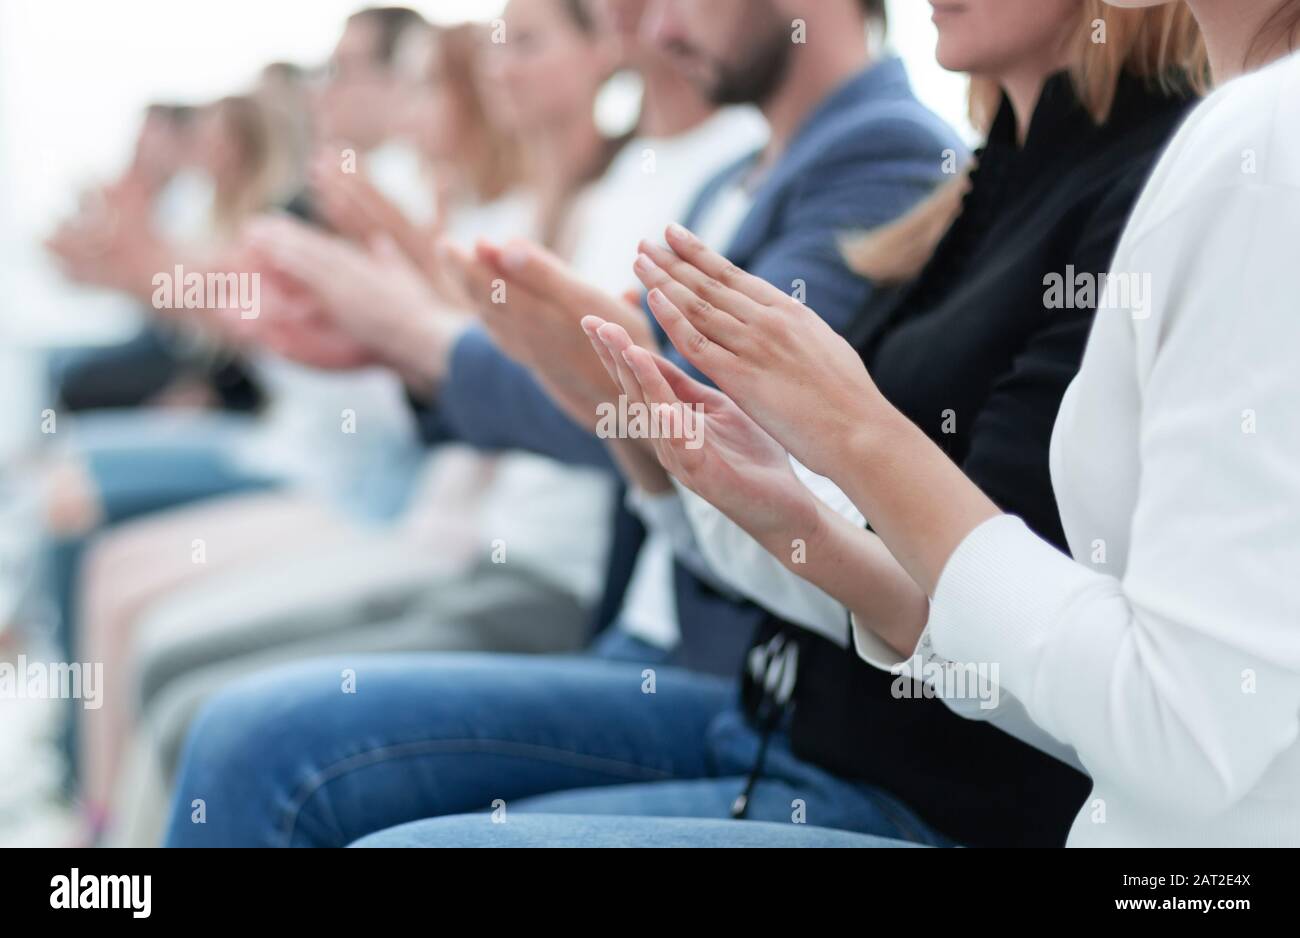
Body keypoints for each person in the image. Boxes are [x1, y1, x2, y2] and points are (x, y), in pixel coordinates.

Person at [161, 0, 967, 848]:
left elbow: (713, 426)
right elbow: (656, 427)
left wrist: (417, 334)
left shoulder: (882, 150)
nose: (656, 30)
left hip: (732, 675)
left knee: (257, 741)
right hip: (643, 633)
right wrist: (416, 337)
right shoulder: (725, 178)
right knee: (242, 731)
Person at [556, 0, 1300, 848]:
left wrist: (857, 436)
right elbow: (1053, 654)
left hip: (926, 796)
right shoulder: (1018, 176)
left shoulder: (1245, 151)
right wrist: (783, 507)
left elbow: (1176, 731)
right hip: (817, 736)